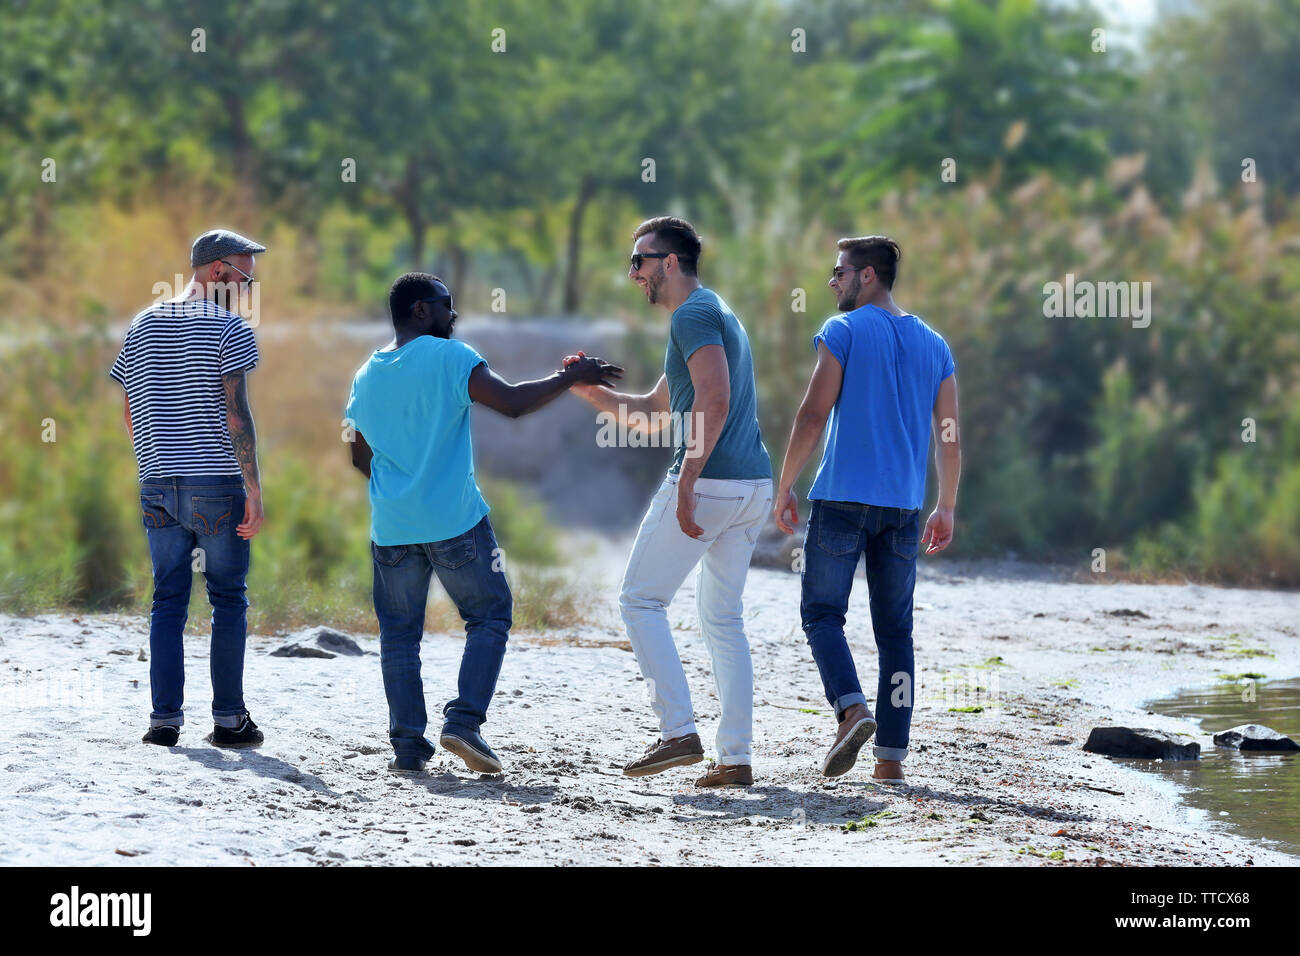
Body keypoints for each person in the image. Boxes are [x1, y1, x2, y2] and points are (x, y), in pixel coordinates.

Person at [345, 272, 621, 774]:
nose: (456, 315)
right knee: (490, 614)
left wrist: (399, 481)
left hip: (391, 526)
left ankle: (408, 746)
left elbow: (359, 455)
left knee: (399, 636)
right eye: (447, 305)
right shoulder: (451, 357)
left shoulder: (366, 374)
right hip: (454, 520)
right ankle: (464, 723)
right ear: (421, 310)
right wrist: (572, 377)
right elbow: (513, 404)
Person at [565, 216, 772, 788]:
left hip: (710, 484)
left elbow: (716, 396)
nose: (634, 274)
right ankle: (735, 758)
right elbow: (654, 409)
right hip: (751, 486)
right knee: (723, 620)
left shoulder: (694, 314)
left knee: (638, 600)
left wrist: (688, 479)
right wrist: (587, 391)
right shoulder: (709, 313)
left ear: (670, 262)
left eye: (640, 261)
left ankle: (678, 731)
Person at [774, 235, 961, 784]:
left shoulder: (844, 330)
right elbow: (948, 437)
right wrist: (946, 505)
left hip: (840, 499)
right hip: (903, 509)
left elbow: (812, 414)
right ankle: (890, 761)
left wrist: (784, 485)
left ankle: (852, 709)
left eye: (840, 273)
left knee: (822, 614)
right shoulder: (936, 345)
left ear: (869, 276)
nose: (833, 282)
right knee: (895, 632)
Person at [111, 228, 268, 749]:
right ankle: (228, 721)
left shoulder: (141, 324)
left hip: (156, 481)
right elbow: (236, 415)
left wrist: (152, 469)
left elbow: (132, 410)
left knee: (168, 600)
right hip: (215, 482)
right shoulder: (229, 328)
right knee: (227, 597)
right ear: (219, 270)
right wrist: (254, 487)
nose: (250, 285)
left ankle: (164, 721)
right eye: (246, 274)